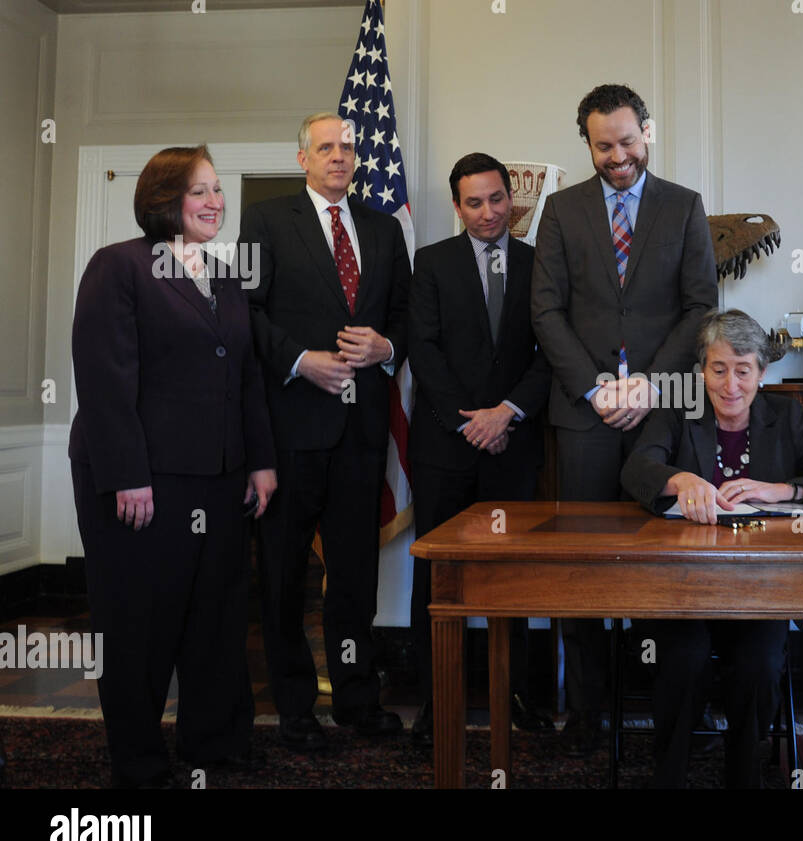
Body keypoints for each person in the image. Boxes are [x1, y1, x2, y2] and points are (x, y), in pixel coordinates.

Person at [70, 145, 277, 787]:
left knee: (215, 614)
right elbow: (105, 379)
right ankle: (137, 759)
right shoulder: (119, 266)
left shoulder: (224, 277)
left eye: (218, 191)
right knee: (139, 620)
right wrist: (128, 473)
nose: (216, 202)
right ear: (165, 202)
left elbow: (246, 378)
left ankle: (213, 742)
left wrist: (260, 463)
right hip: (143, 481)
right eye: (200, 191)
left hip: (219, 479)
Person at [532, 83, 718, 753]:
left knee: (667, 566)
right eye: (602, 145)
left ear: (649, 131)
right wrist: (594, 389)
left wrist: (648, 383)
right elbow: (545, 310)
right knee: (583, 565)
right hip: (583, 419)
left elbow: (700, 306)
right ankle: (587, 717)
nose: (617, 157)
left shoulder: (685, 206)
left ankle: (674, 711)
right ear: (586, 141)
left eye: (628, 143)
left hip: (661, 414)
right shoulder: (559, 211)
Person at [622, 309, 803, 787]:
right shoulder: (680, 411)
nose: (730, 384)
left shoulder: (783, 417)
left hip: (760, 590)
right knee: (683, 658)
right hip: (683, 590)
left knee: (759, 663)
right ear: (702, 371)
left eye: (743, 370)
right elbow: (635, 470)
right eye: (718, 369)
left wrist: (786, 490)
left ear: (762, 373)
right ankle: (669, 773)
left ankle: (744, 771)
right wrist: (678, 480)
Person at [240, 112, 411, 750]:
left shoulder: (384, 228)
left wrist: (386, 345)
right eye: (326, 148)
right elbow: (246, 309)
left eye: (347, 147)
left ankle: (356, 698)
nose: (339, 156)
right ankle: (294, 709)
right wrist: (298, 360)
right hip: (290, 430)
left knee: (354, 575)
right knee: (284, 576)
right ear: (302, 158)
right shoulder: (265, 221)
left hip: (362, 431)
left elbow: (405, 312)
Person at [407, 153, 552, 746]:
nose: (489, 212)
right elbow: (424, 348)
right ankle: (434, 705)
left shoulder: (541, 263)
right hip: (445, 447)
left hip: (513, 446)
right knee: (436, 579)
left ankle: (515, 692)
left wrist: (506, 413)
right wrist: (470, 423)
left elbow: (551, 353)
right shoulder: (431, 263)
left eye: (497, 199)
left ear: (510, 199)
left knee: (509, 576)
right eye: (475, 202)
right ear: (457, 205)